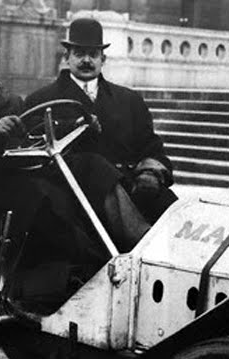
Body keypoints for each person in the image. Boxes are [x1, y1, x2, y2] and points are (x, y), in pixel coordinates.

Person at [0, 29, 148, 308]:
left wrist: (79, 128)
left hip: (14, 171)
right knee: (39, 196)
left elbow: (31, 134)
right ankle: (92, 266)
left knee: (90, 166)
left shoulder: (4, 100)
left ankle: (138, 239)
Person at [24, 17, 177, 224]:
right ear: (66, 57)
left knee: (170, 210)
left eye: (93, 54)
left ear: (103, 59)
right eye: (79, 54)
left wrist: (150, 173)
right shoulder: (41, 101)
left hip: (130, 186)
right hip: (73, 195)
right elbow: (32, 153)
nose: (86, 60)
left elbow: (151, 146)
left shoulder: (129, 100)